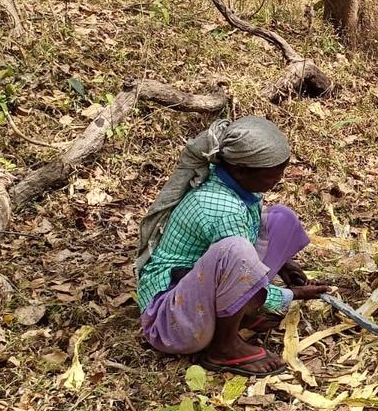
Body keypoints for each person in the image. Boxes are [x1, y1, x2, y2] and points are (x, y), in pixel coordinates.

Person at [134, 116, 328, 376]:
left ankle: (240, 316)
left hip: (202, 282)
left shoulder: (236, 184)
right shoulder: (221, 208)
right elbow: (239, 262)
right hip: (172, 320)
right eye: (272, 173)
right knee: (236, 250)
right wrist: (291, 295)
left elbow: (246, 244)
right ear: (240, 168)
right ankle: (224, 347)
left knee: (281, 219)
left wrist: (284, 265)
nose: (279, 179)